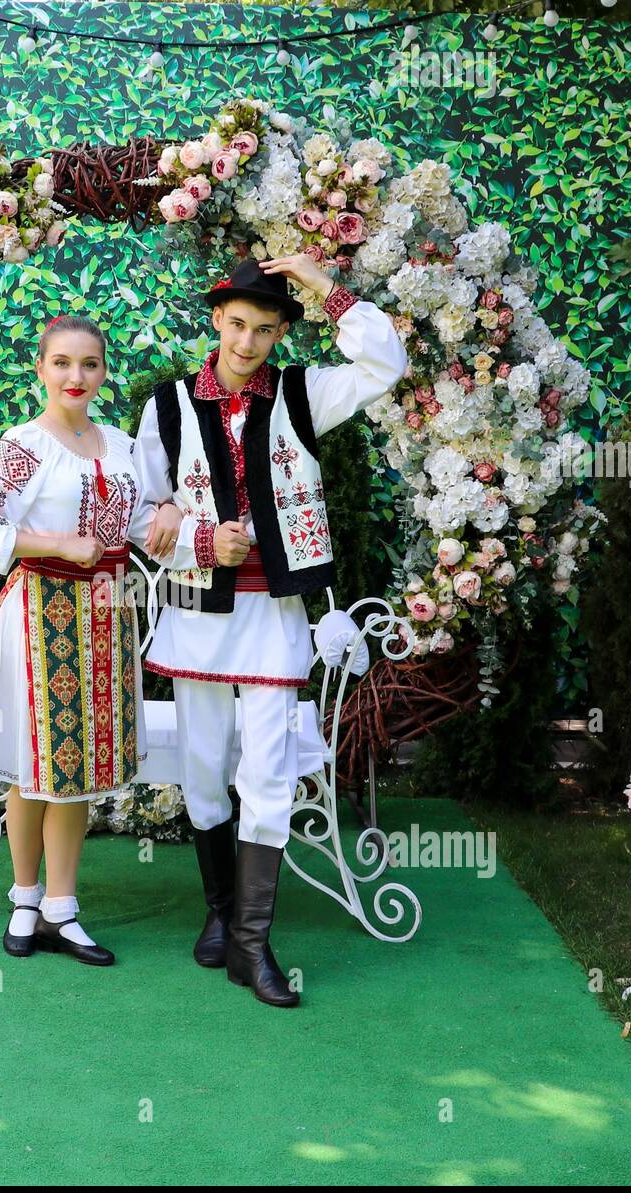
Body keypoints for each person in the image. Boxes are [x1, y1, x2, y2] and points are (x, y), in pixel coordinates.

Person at [132, 253, 409, 1007]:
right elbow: (137, 511)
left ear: (283, 331)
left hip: (273, 617)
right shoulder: (166, 408)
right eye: (236, 325)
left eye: (264, 329)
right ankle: (221, 916)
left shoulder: (303, 393)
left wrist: (324, 287)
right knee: (201, 769)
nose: (247, 342)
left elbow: (385, 361)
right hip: (195, 616)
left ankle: (252, 946)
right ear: (215, 322)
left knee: (267, 772)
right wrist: (192, 538)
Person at [0, 315, 194, 967]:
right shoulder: (23, 445)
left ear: (104, 370)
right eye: (61, 362)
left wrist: (171, 509)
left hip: (106, 619)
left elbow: (148, 526)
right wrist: (56, 541)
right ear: (41, 369)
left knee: (75, 771)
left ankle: (61, 908)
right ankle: (24, 899)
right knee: (35, 767)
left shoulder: (121, 445)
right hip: (37, 614)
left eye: (89, 364)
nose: (75, 376)